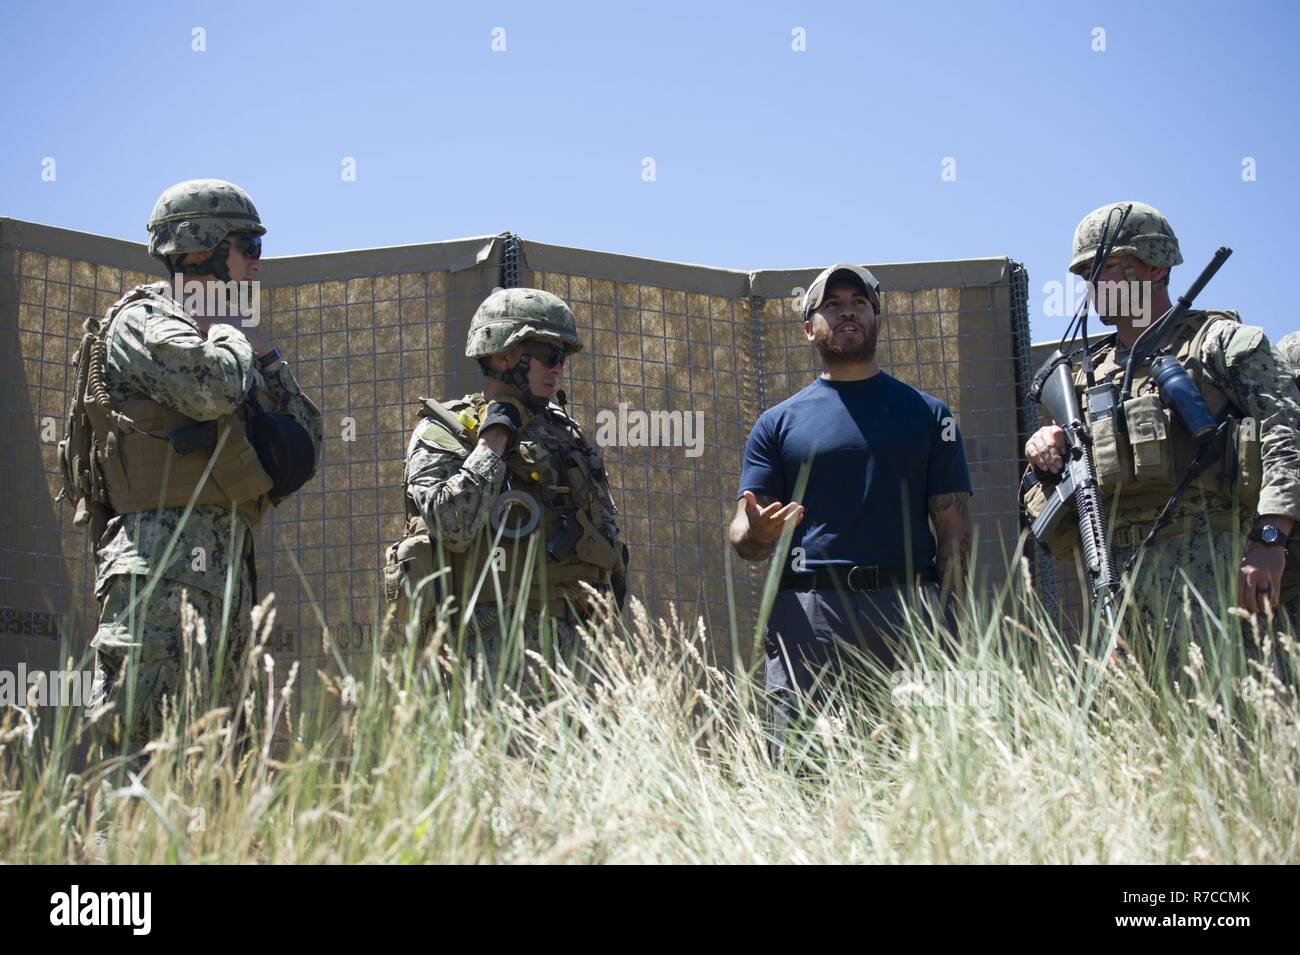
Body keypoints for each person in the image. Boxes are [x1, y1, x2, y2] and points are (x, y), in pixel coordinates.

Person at [62, 178, 323, 751]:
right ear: (201, 246)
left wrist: (268, 358)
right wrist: (237, 340)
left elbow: (306, 441)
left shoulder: (224, 337)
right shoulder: (144, 320)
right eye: (248, 247)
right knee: (143, 755)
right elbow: (208, 390)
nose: (258, 265)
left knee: (218, 763)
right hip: (158, 574)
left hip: (228, 578)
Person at [1022, 201, 1300, 648]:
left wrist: (1271, 538)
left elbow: (1286, 431)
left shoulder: (1218, 343)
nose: (1090, 285)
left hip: (1218, 565)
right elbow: (1051, 501)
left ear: (1153, 268)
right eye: (1083, 275)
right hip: (1119, 579)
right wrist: (1047, 452)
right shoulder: (1083, 378)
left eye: (1103, 267)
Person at [729, 263, 973, 750]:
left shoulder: (929, 415)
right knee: (803, 766)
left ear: (877, 319)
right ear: (808, 329)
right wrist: (757, 533)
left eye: (859, 302)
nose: (848, 312)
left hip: (907, 611)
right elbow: (743, 534)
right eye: (833, 304)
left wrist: (950, 625)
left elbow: (954, 531)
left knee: (911, 765)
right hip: (807, 612)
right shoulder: (776, 423)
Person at [386, 287, 628, 691]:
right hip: (486, 647)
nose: (557, 369)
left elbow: (607, 543)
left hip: (578, 650)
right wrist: (495, 439)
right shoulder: (446, 431)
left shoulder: (567, 437)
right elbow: (451, 524)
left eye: (562, 358)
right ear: (502, 356)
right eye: (549, 355)